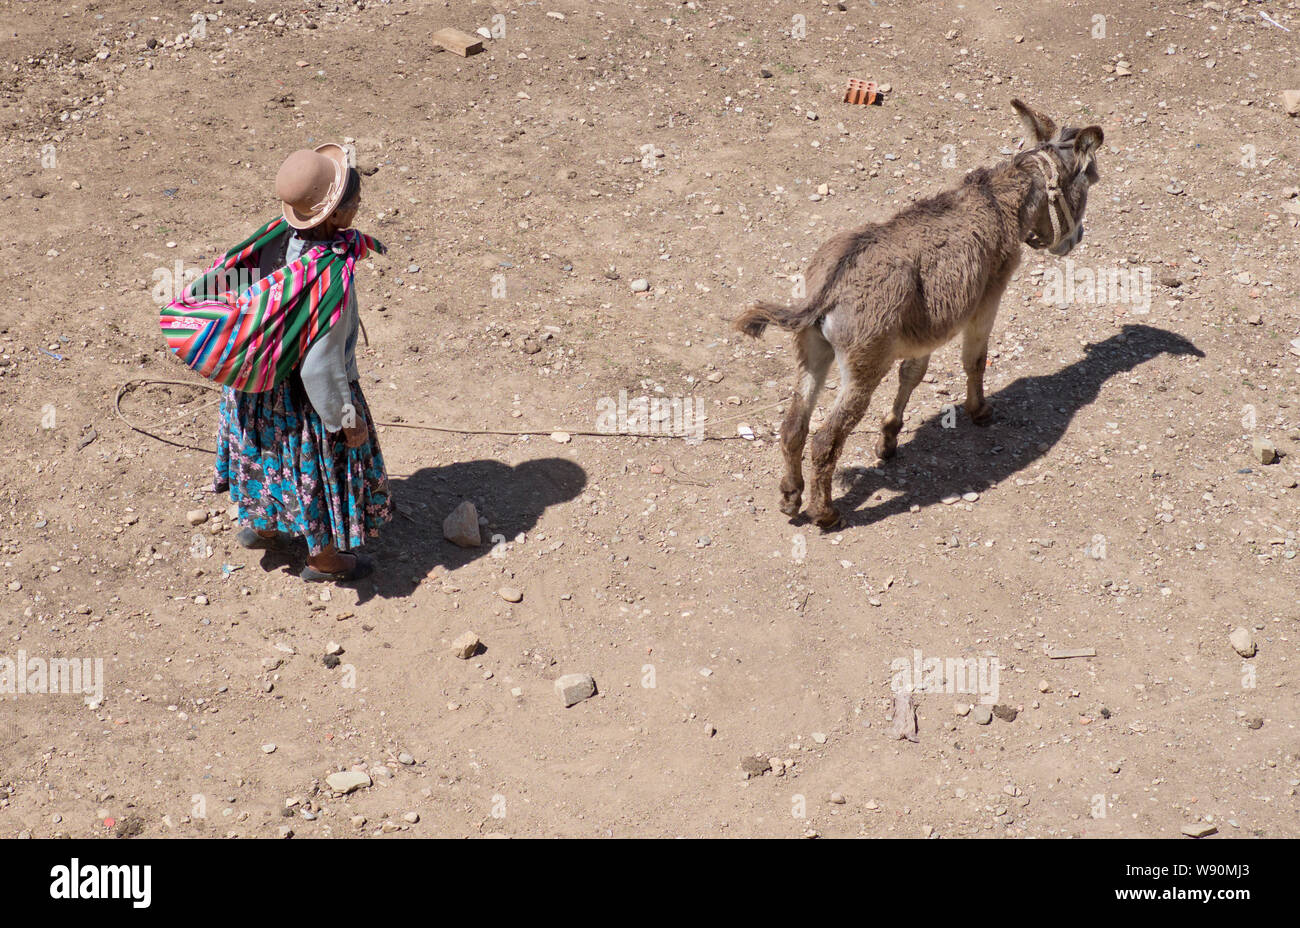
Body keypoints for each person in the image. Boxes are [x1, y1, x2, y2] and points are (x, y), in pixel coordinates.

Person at [213, 144, 392, 582]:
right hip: (305, 402)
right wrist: (346, 420)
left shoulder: (274, 239)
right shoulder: (329, 279)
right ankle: (325, 558)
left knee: (266, 455)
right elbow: (319, 368)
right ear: (335, 216)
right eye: (354, 202)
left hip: (255, 387)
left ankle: (261, 523)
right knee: (322, 469)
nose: (359, 206)